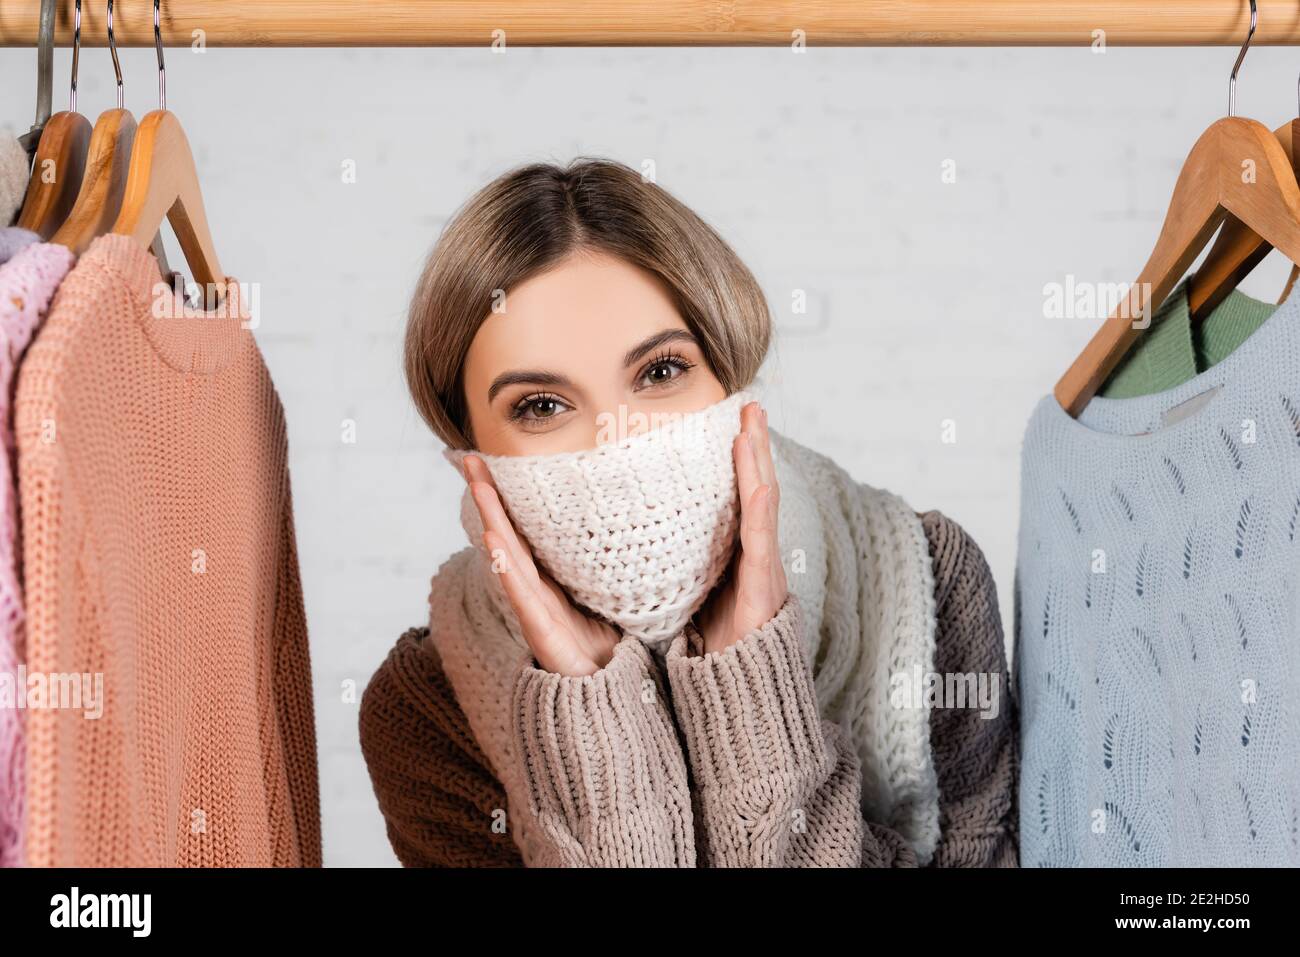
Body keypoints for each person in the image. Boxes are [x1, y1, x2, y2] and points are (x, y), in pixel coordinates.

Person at [359, 157, 1018, 867]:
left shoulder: (926, 583)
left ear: (730, 376)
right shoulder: (429, 706)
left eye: (661, 371)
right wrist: (602, 752)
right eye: (542, 406)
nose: (618, 441)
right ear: (472, 456)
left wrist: (755, 707)